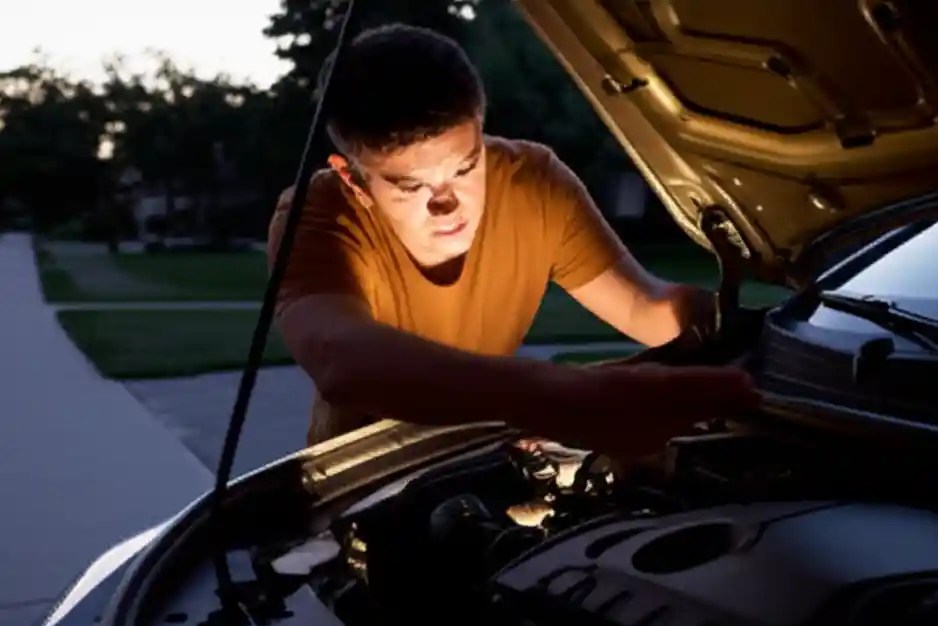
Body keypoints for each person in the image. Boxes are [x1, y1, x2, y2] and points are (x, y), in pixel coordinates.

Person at [266, 23, 760, 459]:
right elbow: (341, 358)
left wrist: (729, 327)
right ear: (352, 179)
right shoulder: (318, 213)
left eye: (465, 168)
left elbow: (643, 306)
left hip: (491, 454)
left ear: (480, 130)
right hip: (368, 475)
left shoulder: (533, 182)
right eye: (412, 187)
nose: (448, 204)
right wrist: (560, 397)